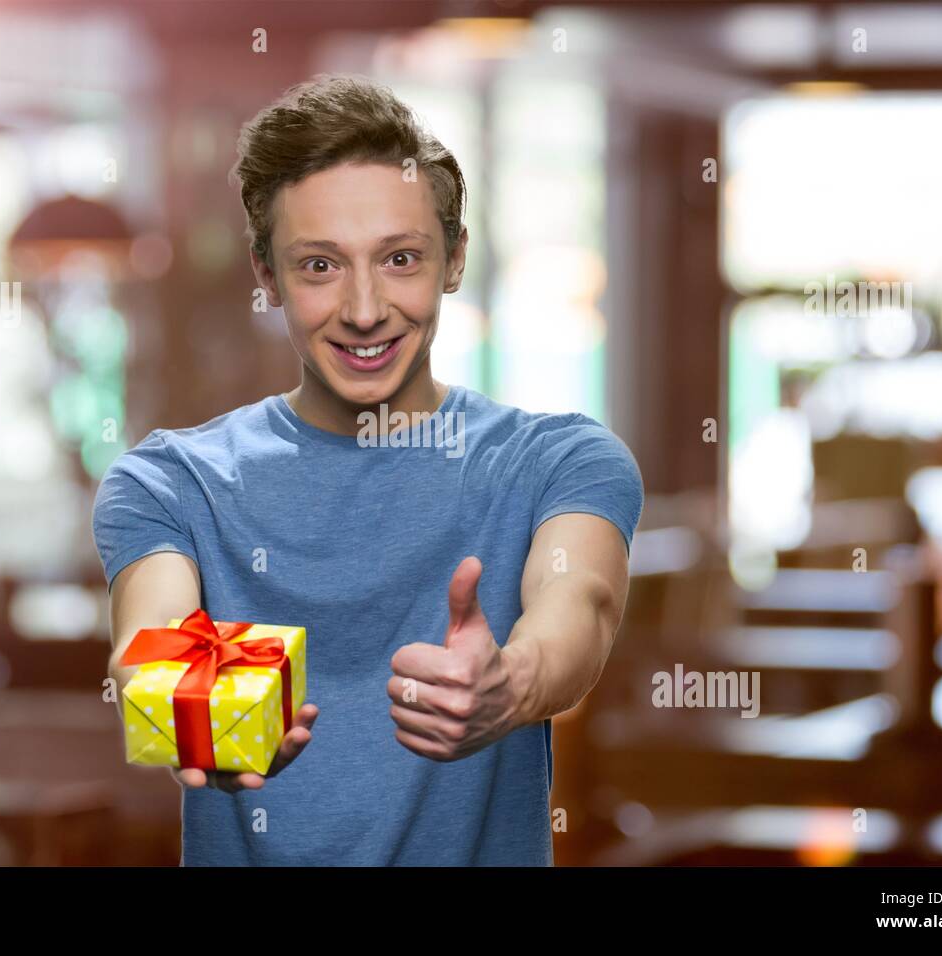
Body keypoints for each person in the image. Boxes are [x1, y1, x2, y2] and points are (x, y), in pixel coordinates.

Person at [92, 73, 644, 865]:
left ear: (454, 259)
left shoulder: (558, 461)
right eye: (319, 266)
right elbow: (149, 637)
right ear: (265, 275)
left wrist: (511, 684)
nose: (362, 309)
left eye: (400, 259)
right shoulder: (170, 482)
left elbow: (579, 607)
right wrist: (195, 709)